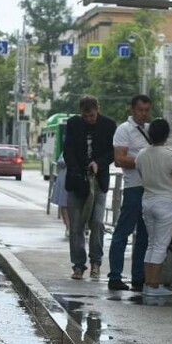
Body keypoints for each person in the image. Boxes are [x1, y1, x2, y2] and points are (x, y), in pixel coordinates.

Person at [62, 95, 116, 280]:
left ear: (97, 110)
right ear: (80, 113)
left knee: (97, 223)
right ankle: (78, 265)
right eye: (86, 117)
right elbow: (67, 150)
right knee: (76, 225)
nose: (89, 120)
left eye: (92, 116)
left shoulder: (108, 125)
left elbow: (112, 152)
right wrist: (77, 172)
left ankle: (96, 262)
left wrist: (98, 164)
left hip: (98, 182)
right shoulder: (73, 124)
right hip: (76, 182)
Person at [108, 95, 153, 291]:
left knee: (144, 234)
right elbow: (119, 159)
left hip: (151, 188)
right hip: (133, 187)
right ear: (132, 110)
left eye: (146, 110)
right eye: (140, 110)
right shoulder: (124, 130)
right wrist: (144, 162)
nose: (144, 113)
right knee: (123, 231)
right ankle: (115, 276)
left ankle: (138, 277)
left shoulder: (149, 130)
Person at [134, 118, 172, 297]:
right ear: (167, 135)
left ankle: (148, 282)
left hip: (147, 200)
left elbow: (140, 174)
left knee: (151, 243)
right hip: (165, 202)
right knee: (161, 245)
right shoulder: (170, 156)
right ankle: (153, 285)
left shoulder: (141, 155)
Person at [49, 152, 70, 237]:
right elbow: (60, 162)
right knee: (64, 204)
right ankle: (68, 227)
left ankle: (77, 227)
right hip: (65, 177)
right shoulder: (67, 149)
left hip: (77, 179)